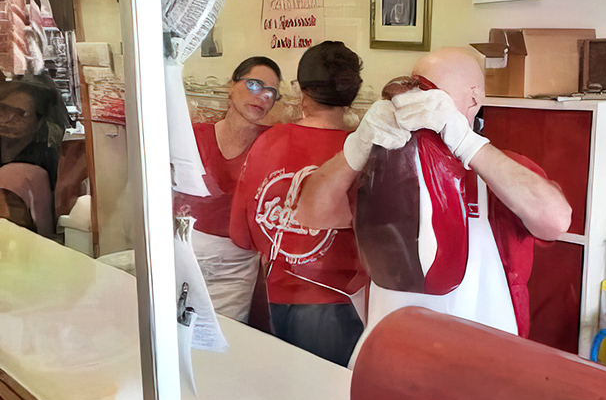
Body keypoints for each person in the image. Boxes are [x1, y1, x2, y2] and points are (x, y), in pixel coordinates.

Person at [295, 47, 572, 342]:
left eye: (432, 94)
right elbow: (312, 213)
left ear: (474, 99)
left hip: (481, 352)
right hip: (392, 347)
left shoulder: (504, 169)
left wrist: (467, 144)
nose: (417, 103)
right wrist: (356, 148)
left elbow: (555, 221)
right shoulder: (383, 165)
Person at [229, 41, 368, 367]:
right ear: (352, 94)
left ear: (301, 90)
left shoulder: (268, 141)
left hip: (268, 302)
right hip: (338, 308)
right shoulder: (361, 154)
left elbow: (240, 234)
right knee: (327, 396)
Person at [174, 56, 282, 322]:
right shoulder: (193, 137)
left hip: (236, 267)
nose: (262, 96)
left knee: (227, 333)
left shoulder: (273, 143)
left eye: (271, 92)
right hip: (184, 255)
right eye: (254, 85)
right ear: (230, 87)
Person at [0, 72, 68, 235]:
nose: (8, 120)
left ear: (39, 122)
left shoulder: (45, 160)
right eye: (3, 109)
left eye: (21, 113)